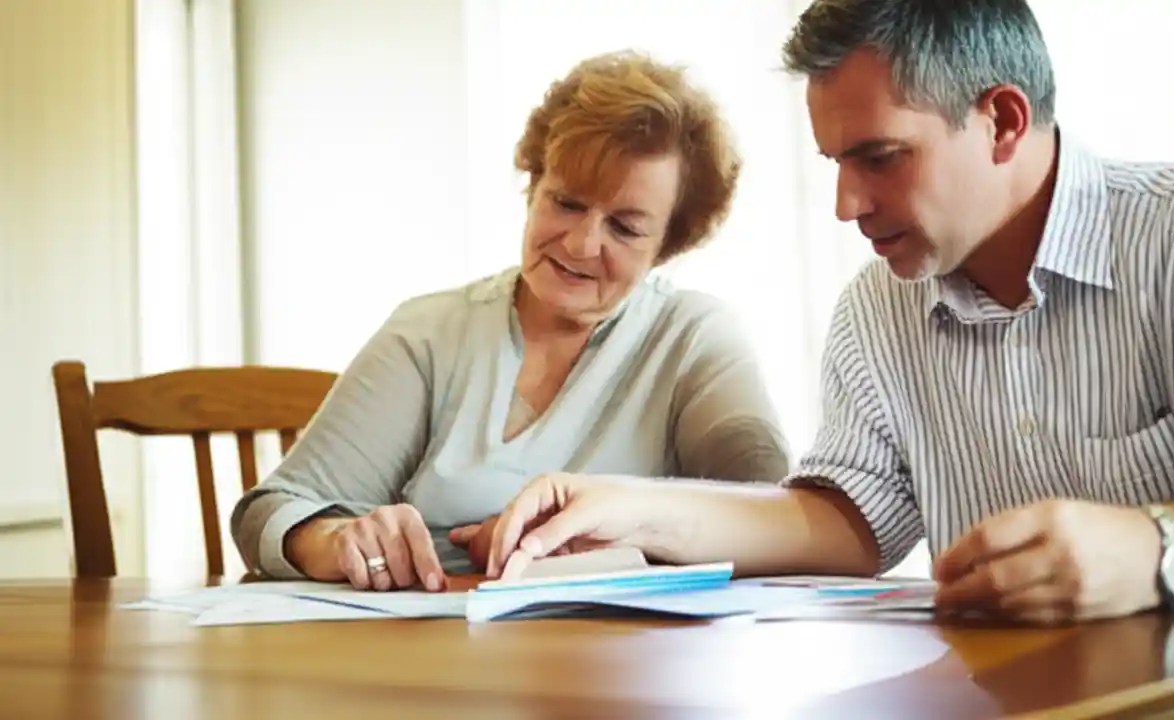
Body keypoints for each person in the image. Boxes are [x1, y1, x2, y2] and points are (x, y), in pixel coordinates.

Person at [485, 0, 1174, 624]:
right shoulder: (876, 308)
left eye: (879, 157)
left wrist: (1154, 549)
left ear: (1001, 120)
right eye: (835, 163)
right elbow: (846, 522)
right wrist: (638, 511)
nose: (845, 204)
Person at [230, 51, 790, 592]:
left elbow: (771, 512)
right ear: (532, 185)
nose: (580, 243)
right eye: (566, 203)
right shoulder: (429, 333)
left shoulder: (694, 338)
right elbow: (272, 511)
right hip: (427, 653)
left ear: (669, 243)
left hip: (624, 657)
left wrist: (582, 536)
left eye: (624, 227)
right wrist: (337, 540)